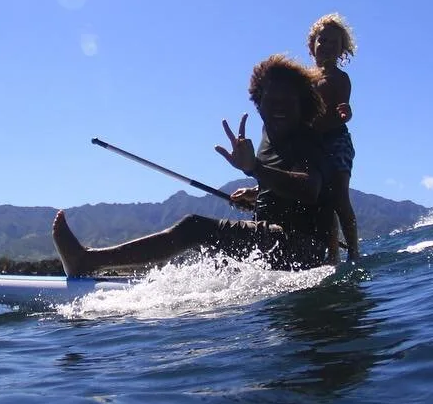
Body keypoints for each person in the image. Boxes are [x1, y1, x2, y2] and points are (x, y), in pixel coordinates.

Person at [52, 54, 332, 276]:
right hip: (281, 248)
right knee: (210, 255)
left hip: (303, 251)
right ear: (258, 103)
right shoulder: (269, 137)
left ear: (302, 103)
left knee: (194, 228)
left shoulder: (305, 137)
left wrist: (255, 169)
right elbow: (287, 187)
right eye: (271, 100)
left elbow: (309, 189)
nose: (279, 107)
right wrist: (260, 193)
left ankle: (87, 262)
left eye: (288, 100)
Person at [305, 12, 360, 262]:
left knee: (339, 197)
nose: (325, 46)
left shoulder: (340, 78)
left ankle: (355, 252)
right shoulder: (303, 79)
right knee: (323, 202)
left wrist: (345, 113)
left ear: (341, 51)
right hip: (312, 146)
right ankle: (333, 256)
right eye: (322, 40)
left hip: (337, 141)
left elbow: (342, 111)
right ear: (312, 45)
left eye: (333, 43)